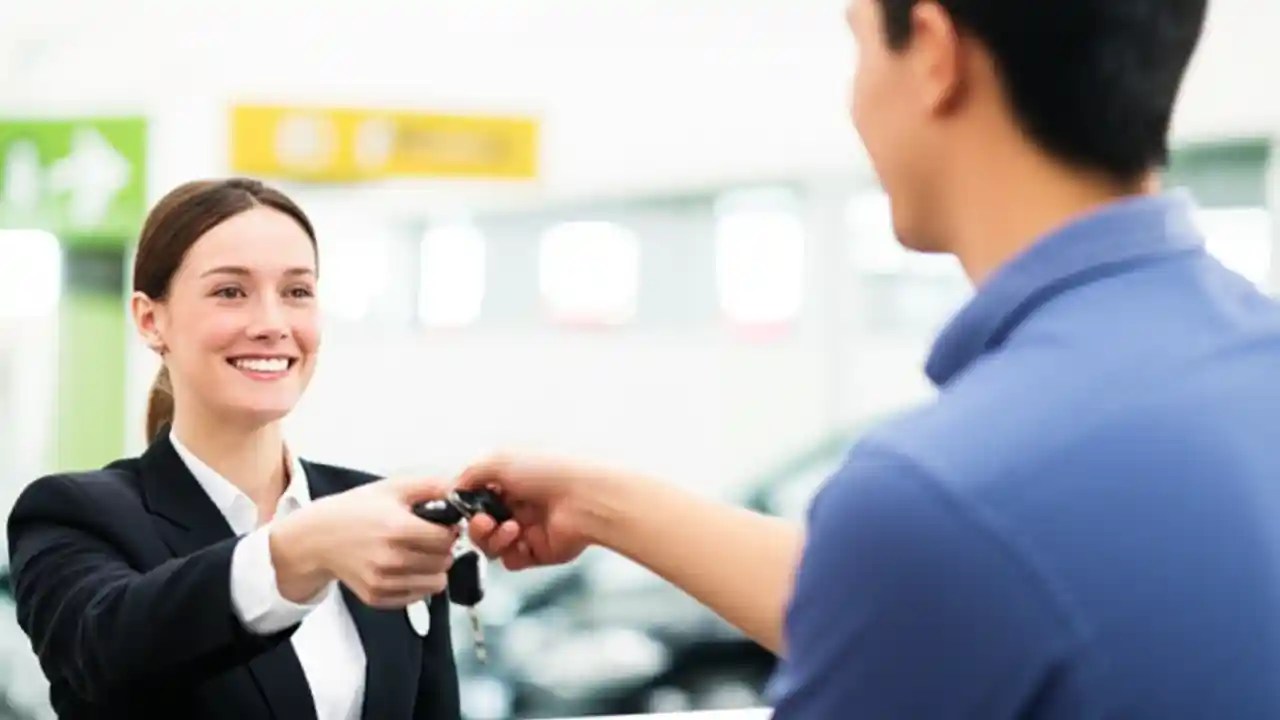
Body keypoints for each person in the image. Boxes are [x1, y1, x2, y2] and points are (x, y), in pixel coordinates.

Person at [464, 0, 1280, 716]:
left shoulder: (942, 493)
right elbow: (957, 599)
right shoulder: (1245, 364)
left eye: (857, 40)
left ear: (932, 51)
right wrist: (606, 507)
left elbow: (937, 564)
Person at [7, 178, 465, 720]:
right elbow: (107, 649)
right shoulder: (74, 515)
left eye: (297, 292)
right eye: (230, 291)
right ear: (151, 320)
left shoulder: (372, 508)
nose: (272, 324)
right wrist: (300, 549)